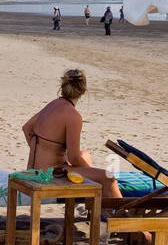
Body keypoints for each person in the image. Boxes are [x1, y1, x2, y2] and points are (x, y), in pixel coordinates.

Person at [22, 69, 121, 200]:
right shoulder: (73, 116)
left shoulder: (52, 104)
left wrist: (45, 152)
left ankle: (95, 208)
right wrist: (91, 171)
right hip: (50, 174)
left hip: (34, 169)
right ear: (83, 91)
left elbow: (26, 128)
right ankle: (123, 215)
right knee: (108, 178)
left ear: (62, 87)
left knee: (85, 154)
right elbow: (74, 158)